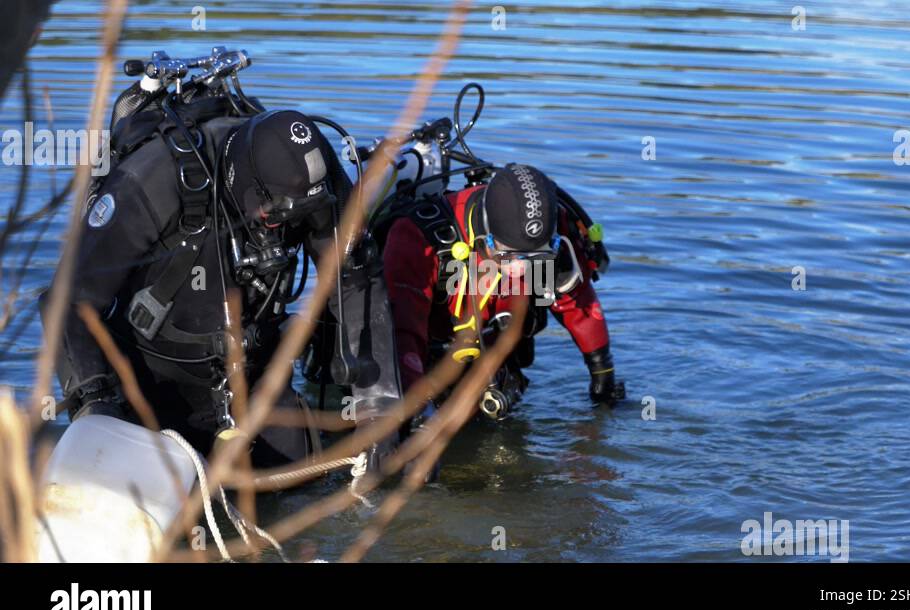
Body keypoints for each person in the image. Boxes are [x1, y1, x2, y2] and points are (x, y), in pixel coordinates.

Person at [43, 92, 403, 473]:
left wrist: (378, 409)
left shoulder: (317, 182)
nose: (282, 228)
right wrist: (97, 404)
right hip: (153, 376)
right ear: (243, 181)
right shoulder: (155, 180)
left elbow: (357, 279)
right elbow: (67, 301)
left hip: (251, 370)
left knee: (300, 484)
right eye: (273, 215)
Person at [382, 163, 625, 422]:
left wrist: (602, 370)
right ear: (487, 235)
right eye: (508, 256)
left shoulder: (557, 232)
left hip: (499, 367)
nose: (520, 269)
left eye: (534, 258)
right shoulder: (419, 238)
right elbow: (403, 331)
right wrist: (414, 406)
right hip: (432, 361)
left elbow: (576, 303)